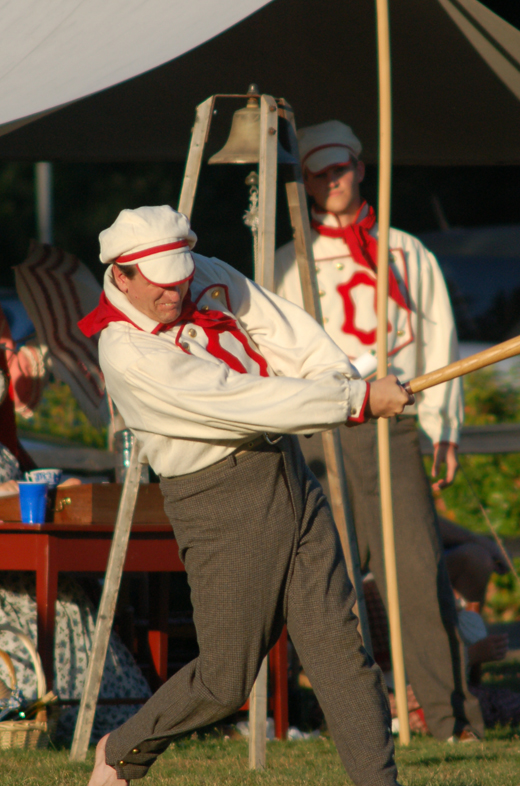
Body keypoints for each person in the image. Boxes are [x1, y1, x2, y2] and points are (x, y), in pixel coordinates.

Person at [79, 205, 413, 786]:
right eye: (160, 279)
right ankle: (124, 748)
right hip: (219, 500)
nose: (176, 288)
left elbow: (287, 331)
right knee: (225, 680)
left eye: (181, 272)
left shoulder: (201, 273)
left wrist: (341, 380)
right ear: (122, 275)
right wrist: (352, 403)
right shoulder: (126, 353)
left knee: (339, 645)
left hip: (285, 469)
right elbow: (239, 400)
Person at [274, 121, 483, 743]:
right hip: (321, 429)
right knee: (323, 582)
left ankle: (450, 721)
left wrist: (445, 425)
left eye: (341, 168)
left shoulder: (405, 251)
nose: (333, 180)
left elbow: (440, 338)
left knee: (418, 576)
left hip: (391, 428)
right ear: (306, 180)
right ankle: (343, 719)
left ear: (361, 168)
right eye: (319, 173)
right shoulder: (290, 262)